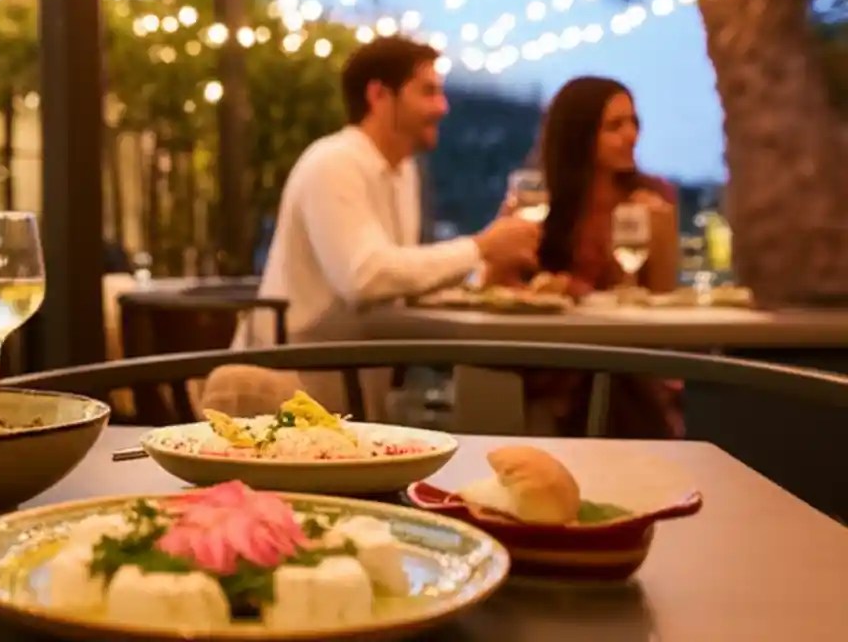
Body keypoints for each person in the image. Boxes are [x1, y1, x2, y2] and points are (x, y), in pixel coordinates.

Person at [228, 37, 540, 416]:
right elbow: (364, 278)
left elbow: (397, 275)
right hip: (289, 394)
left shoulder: (403, 170)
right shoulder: (333, 163)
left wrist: (486, 269)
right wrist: (480, 247)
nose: (442, 107)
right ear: (378, 95)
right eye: (428, 92)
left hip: (356, 393)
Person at [491, 76, 683, 437]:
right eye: (615, 126)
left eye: (633, 123)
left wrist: (662, 235)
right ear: (579, 134)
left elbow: (661, 297)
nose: (631, 135)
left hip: (622, 355)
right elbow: (493, 285)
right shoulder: (542, 201)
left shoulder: (650, 199)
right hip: (549, 354)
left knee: (619, 378)